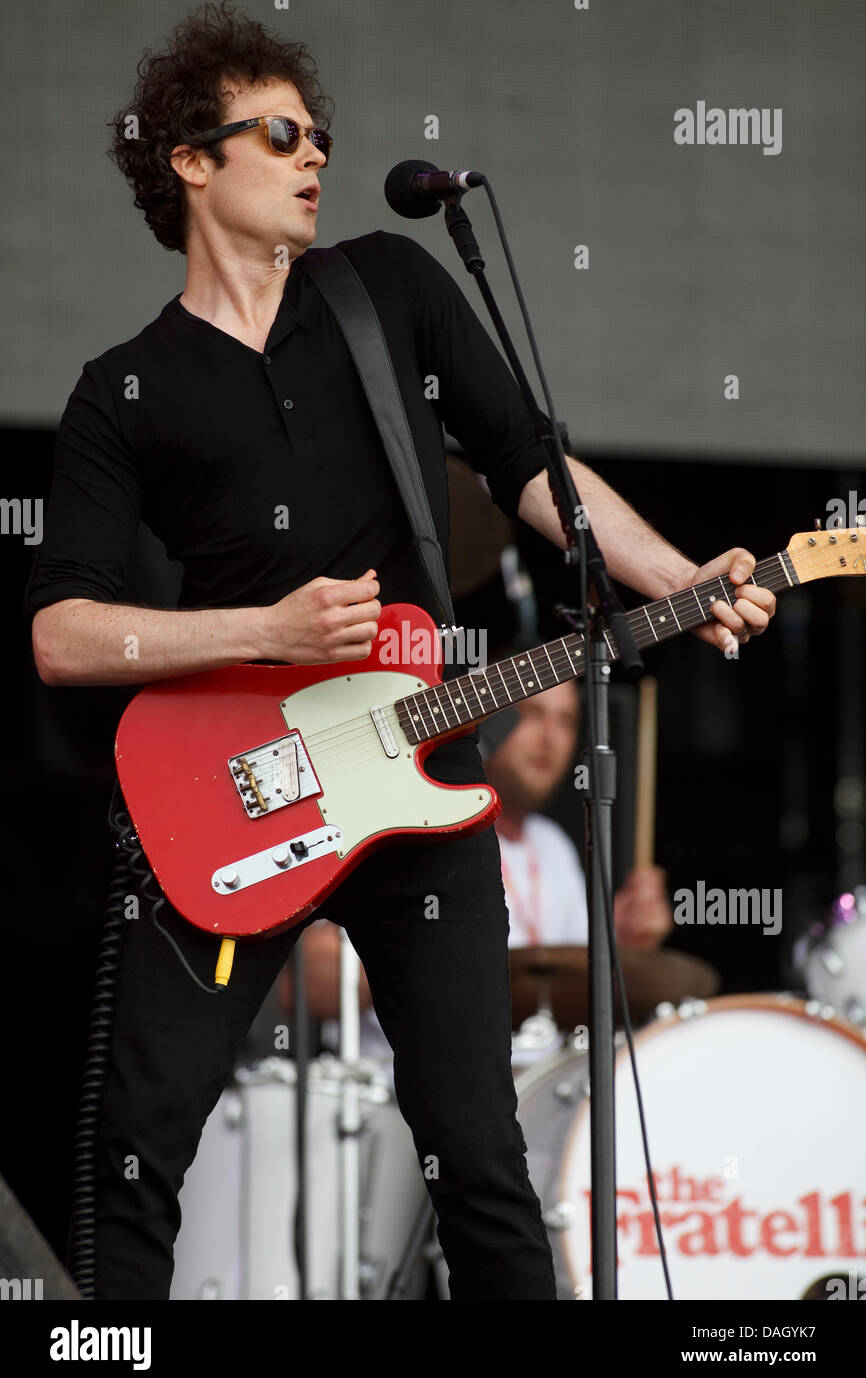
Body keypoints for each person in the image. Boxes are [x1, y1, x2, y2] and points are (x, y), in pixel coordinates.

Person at [26, 3, 776, 1300]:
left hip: (416, 778)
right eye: (279, 133)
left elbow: (529, 461)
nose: (315, 153)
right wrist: (266, 629)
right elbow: (61, 633)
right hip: (232, 791)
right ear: (192, 161)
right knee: (134, 1148)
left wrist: (676, 572)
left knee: (477, 1149)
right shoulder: (124, 388)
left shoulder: (387, 291)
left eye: (321, 132)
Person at [295, 679, 675, 1063]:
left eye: (566, 721)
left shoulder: (552, 845)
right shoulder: (414, 826)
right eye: (532, 714)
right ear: (482, 718)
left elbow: (575, 983)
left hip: (534, 1089)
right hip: (402, 1096)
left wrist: (622, 940)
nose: (550, 738)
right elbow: (304, 988)